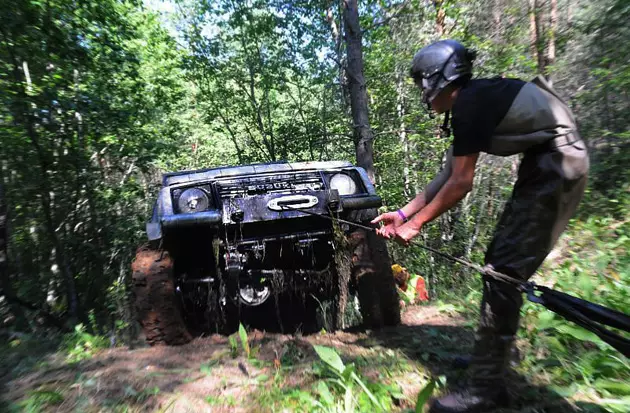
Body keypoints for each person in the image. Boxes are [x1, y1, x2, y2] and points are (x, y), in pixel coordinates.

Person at [371, 39, 589, 412]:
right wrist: (405, 214)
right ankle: (491, 369)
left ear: (435, 81)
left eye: (421, 85)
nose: (421, 95)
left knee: (503, 271)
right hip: (546, 160)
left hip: (559, 163)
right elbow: (448, 174)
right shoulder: (470, 100)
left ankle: (486, 390)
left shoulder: (469, 103)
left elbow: (461, 184)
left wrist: (417, 224)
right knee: (499, 266)